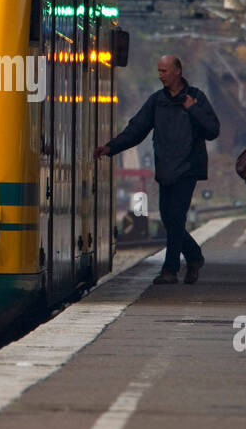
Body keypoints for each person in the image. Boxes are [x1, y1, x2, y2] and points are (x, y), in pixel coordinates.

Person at [94, 55, 219, 284]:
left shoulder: (196, 98)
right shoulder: (157, 101)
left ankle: (169, 270)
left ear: (177, 72)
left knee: (176, 217)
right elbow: (136, 129)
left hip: (188, 168)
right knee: (168, 218)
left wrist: (193, 109)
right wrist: (110, 148)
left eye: (164, 71)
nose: (160, 75)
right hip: (166, 168)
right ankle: (193, 256)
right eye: (159, 70)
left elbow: (213, 130)